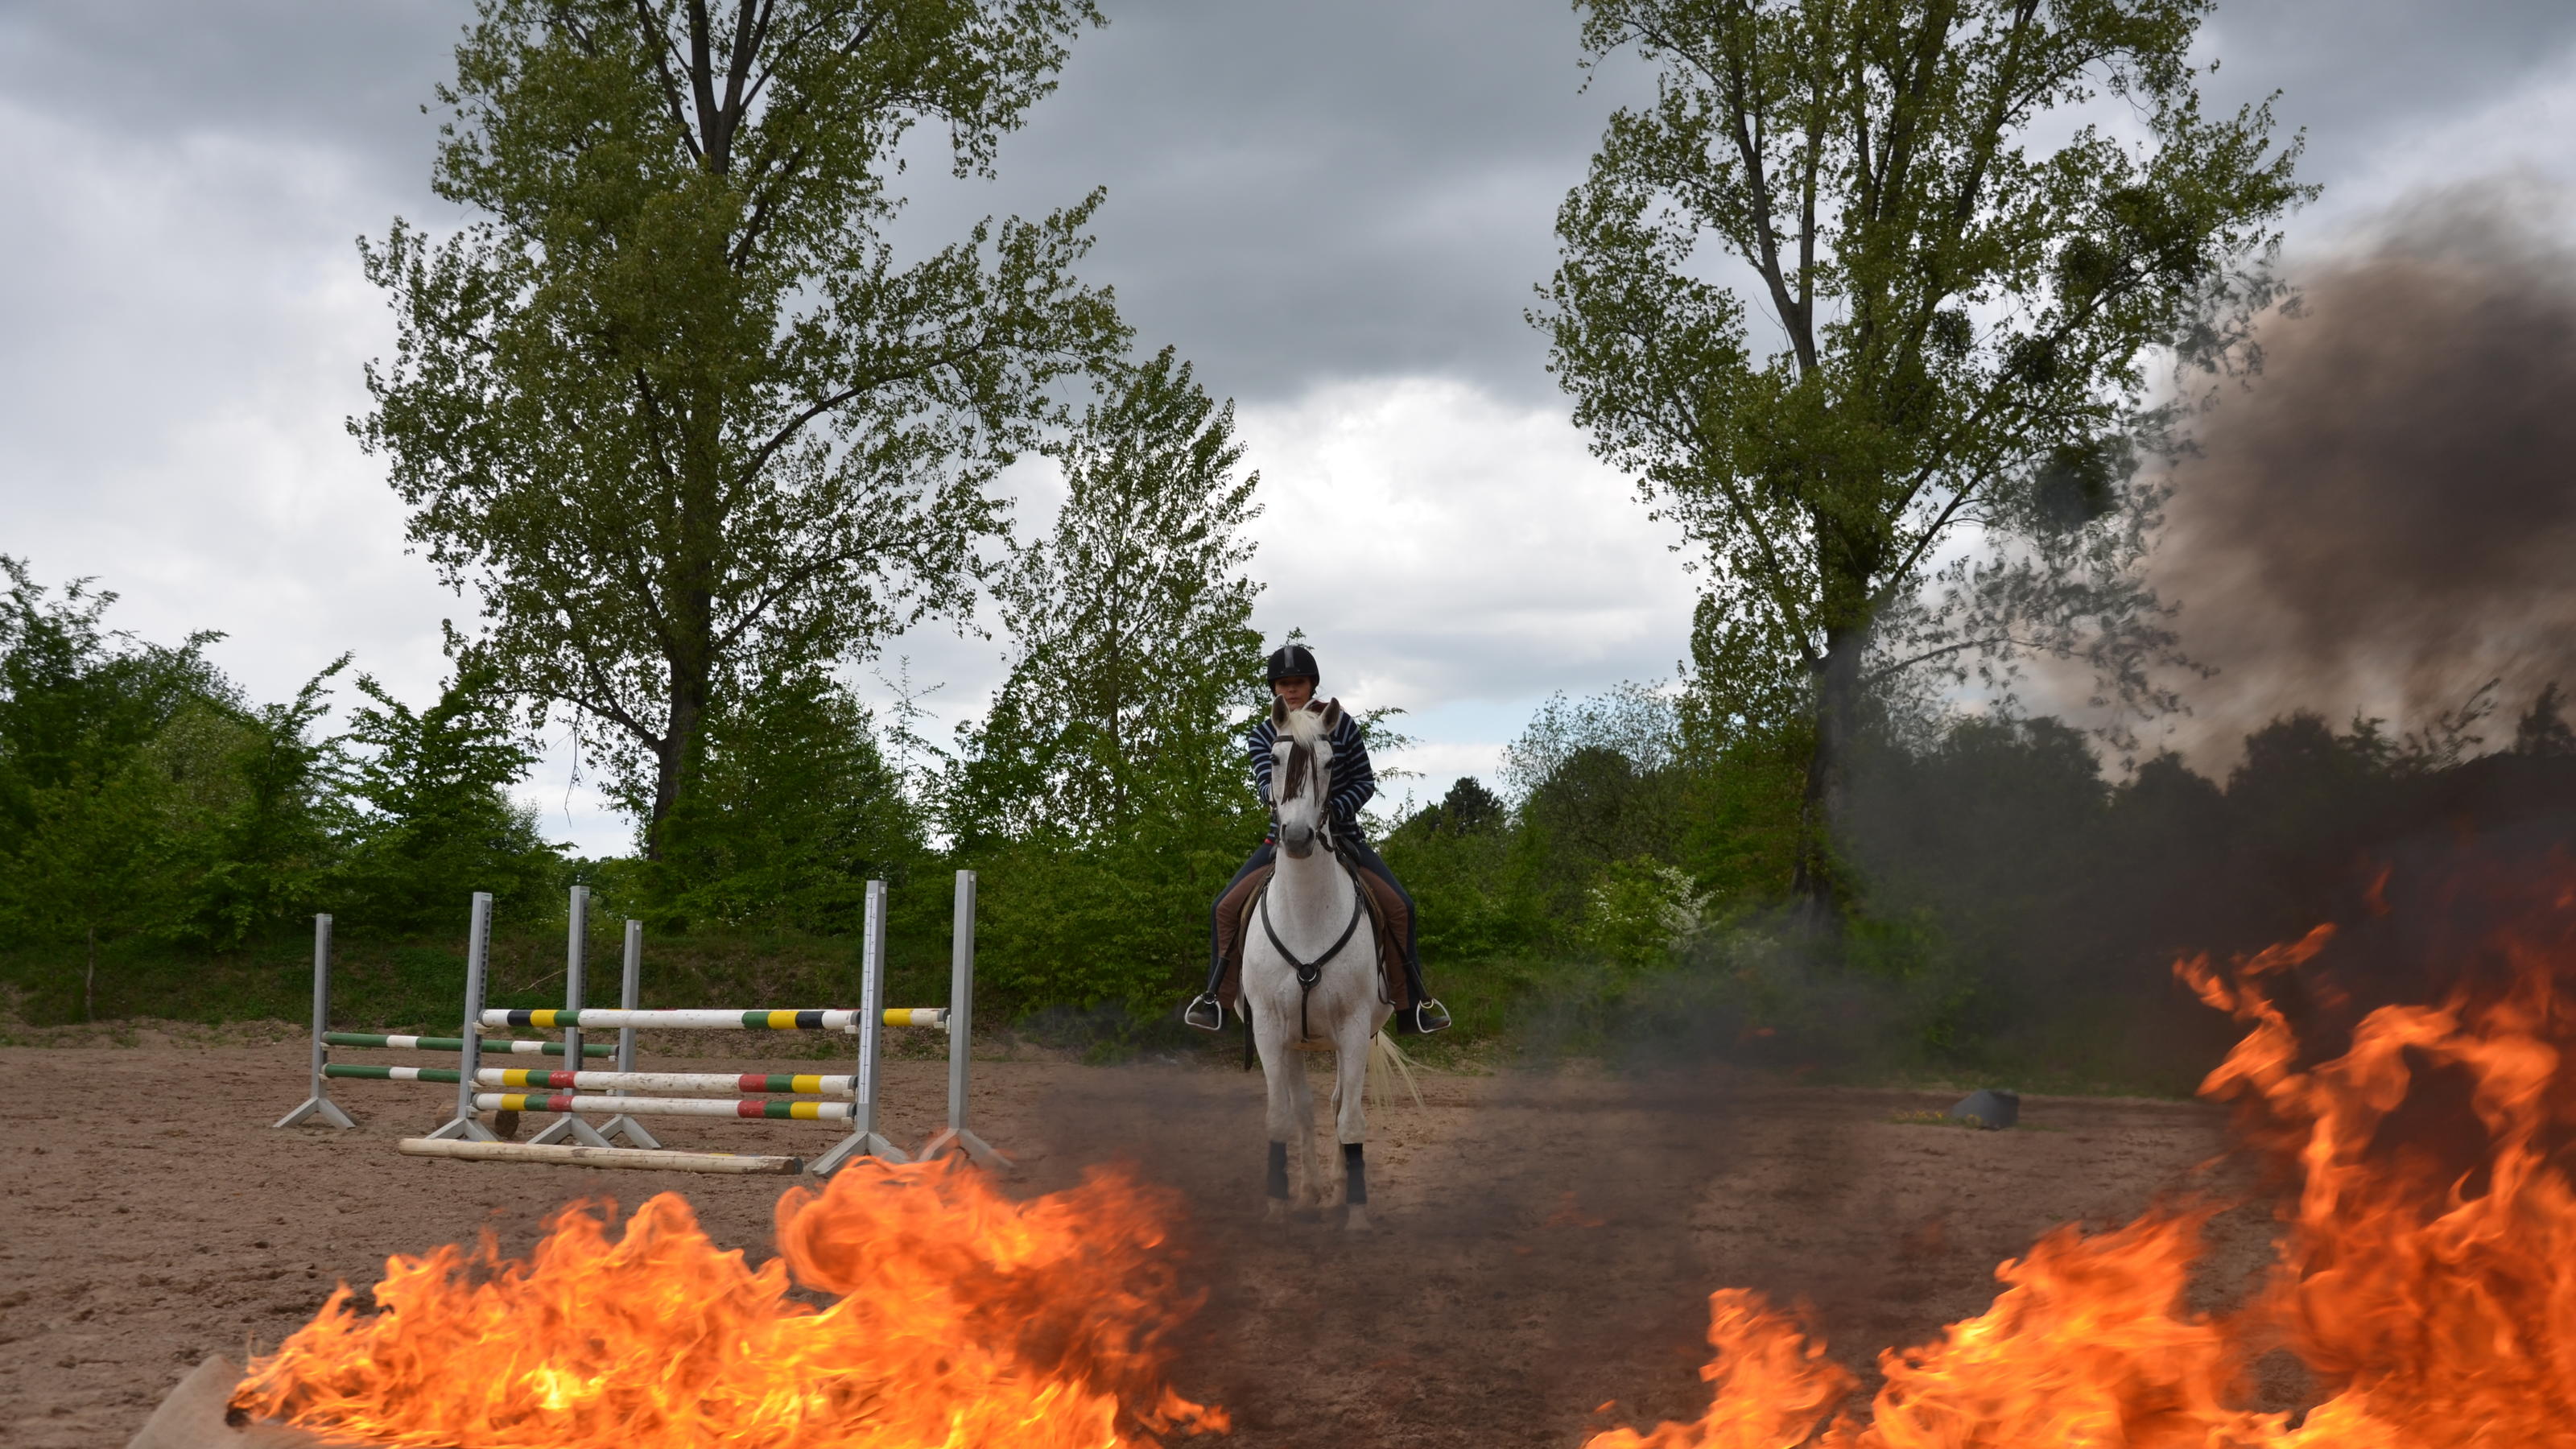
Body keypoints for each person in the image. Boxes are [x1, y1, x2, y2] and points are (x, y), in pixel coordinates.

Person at [1184, 642, 1451, 1034]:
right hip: (1281, 840)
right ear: (1275, 689)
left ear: (1311, 685)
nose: (1291, 690)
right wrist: (1290, 810)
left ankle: (1414, 1005)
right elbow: (1265, 786)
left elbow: (1364, 782)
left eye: (1299, 683)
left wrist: (1331, 813)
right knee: (1223, 908)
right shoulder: (1264, 734)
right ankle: (1215, 1001)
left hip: (1343, 838)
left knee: (1401, 907)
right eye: (1284, 684)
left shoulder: (1341, 726)